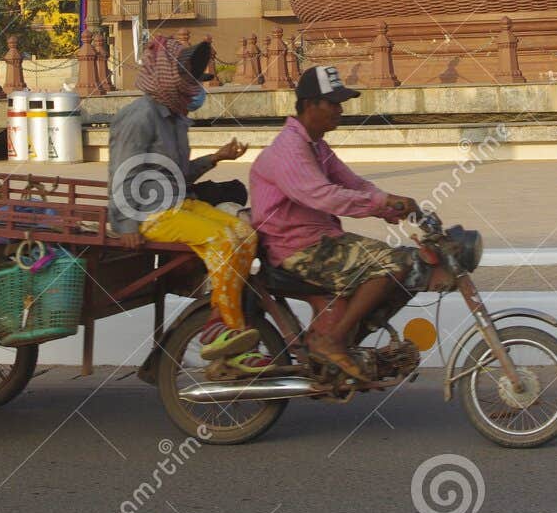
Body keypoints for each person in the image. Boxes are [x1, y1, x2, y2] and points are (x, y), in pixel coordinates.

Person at [249, 65, 423, 382]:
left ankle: (342, 349)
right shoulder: (289, 150)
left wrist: (392, 203)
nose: (340, 111)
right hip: (296, 249)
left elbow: (354, 184)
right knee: (394, 263)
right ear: (310, 105)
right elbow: (324, 197)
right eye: (333, 103)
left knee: (411, 270)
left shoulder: (317, 147)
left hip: (322, 241)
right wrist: (381, 204)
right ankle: (332, 342)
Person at [108, 35, 264, 370]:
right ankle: (226, 330)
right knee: (224, 241)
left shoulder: (177, 119)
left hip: (179, 204)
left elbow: (178, 174)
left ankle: (216, 320)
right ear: (168, 75)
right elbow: (121, 173)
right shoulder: (140, 116)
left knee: (245, 233)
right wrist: (125, 226)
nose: (193, 83)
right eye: (188, 75)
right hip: (151, 214)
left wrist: (216, 158)